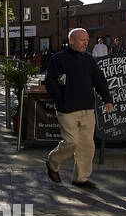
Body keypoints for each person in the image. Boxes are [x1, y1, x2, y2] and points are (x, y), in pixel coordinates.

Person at [44, 28, 114, 189]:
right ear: (72, 41)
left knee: (87, 146)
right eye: (82, 39)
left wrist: (107, 99)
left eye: (87, 39)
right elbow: (50, 82)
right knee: (71, 142)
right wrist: (60, 100)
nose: (86, 42)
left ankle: (80, 178)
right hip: (67, 109)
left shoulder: (89, 59)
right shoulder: (58, 59)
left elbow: (99, 80)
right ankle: (53, 162)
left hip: (87, 108)